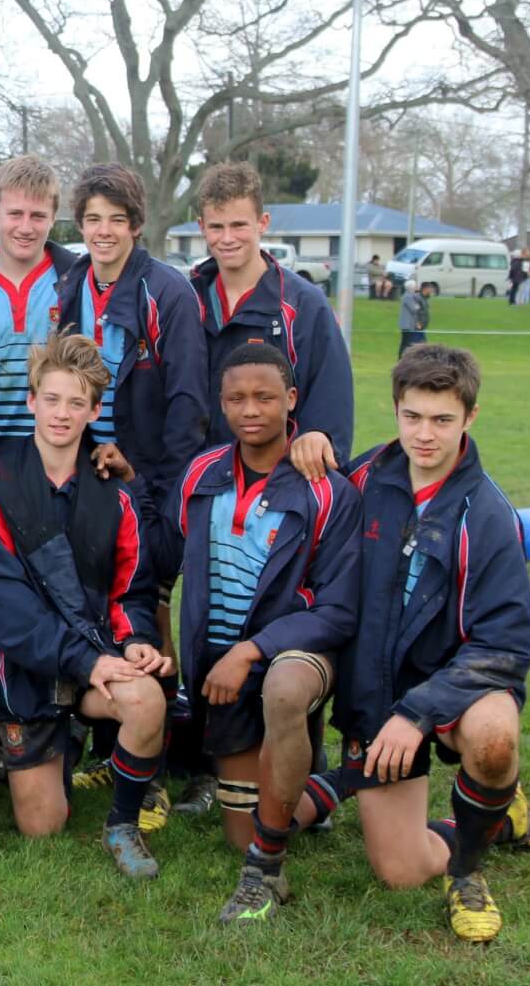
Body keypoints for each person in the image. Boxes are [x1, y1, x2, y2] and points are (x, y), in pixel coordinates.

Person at [297, 344, 530, 942]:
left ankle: (468, 870)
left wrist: (420, 714)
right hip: (381, 696)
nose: (425, 434)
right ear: (395, 409)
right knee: (398, 871)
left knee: (494, 741)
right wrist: (304, 447)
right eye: (412, 416)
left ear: (469, 418)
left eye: (442, 420)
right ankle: (502, 814)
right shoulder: (363, 478)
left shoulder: (490, 515)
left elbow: (506, 643)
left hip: (459, 693)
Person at [150, 344, 361, 924]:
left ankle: (275, 855)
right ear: (221, 404)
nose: (251, 410)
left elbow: (340, 610)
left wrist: (251, 649)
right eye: (237, 398)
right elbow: (161, 557)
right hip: (219, 674)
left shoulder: (327, 489)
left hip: (288, 661)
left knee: (284, 695)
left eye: (265, 397)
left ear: (292, 401)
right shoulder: (202, 473)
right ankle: (319, 783)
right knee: (241, 831)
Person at [0, 335, 166, 877]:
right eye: (52, 399)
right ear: (31, 400)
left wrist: (137, 642)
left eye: (77, 403)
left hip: (94, 669)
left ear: (95, 411)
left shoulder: (116, 493)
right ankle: (63, 745)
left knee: (147, 700)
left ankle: (122, 822)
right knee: (42, 825)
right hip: (28, 673)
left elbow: (131, 589)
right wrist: (90, 661)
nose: (62, 414)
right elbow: (5, 609)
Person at [54, 163, 208, 824]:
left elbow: (187, 400)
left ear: (137, 225)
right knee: (97, 602)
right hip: (85, 467)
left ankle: (163, 766)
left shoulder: (166, 291)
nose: (105, 231)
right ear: (80, 225)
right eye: (93, 219)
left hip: (145, 478)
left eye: (117, 219)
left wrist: (152, 480)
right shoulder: (70, 282)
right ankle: (111, 750)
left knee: (150, 609)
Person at [187, 161, 353, 479]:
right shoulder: (186, 300)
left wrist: (321, 436)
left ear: (263, 223)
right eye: (216, 227)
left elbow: (330, 393)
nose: (227, 238)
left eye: (239, 225)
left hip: (279, 482)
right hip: (200, 481)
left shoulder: (302, 304)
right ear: (201, 227)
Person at [0, 155, 78, 456]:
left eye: (38, 216)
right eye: (15, 214)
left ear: (54, 218)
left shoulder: (75, 282)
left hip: (53, 452)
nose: (25, 227)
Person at [399, 282, 433, 355]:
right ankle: (403, 358)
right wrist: (418, 307)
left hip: (411, 325)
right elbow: (414, 308)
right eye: (415, 286)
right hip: (408, 325)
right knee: (407, 343)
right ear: (412, 288)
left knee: (407, 343)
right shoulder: (408, 296)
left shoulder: (412, 296)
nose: (417, 288)